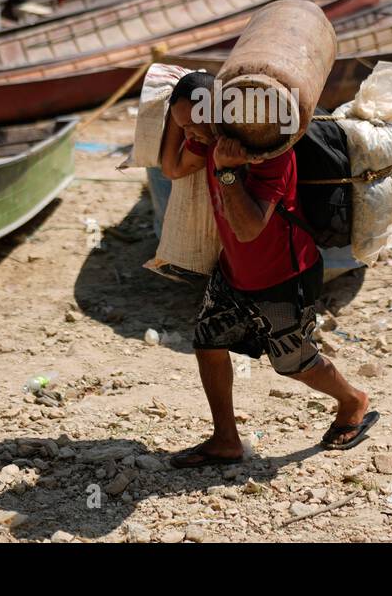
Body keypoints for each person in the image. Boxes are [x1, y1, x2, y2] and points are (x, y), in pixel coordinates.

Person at [159, 72, 377, 467]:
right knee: (207, 344)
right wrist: (171, 119)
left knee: (293, 363)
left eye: (195, 122)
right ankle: (226, 440)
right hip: (234, 272)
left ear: (223, 114)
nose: (192, 133)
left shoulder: (270, 152)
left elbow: (247, 227)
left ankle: (353, 400)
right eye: (184, 126)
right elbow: (172, 168)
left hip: (283, 277)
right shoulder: (206, 138)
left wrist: (227, 172)